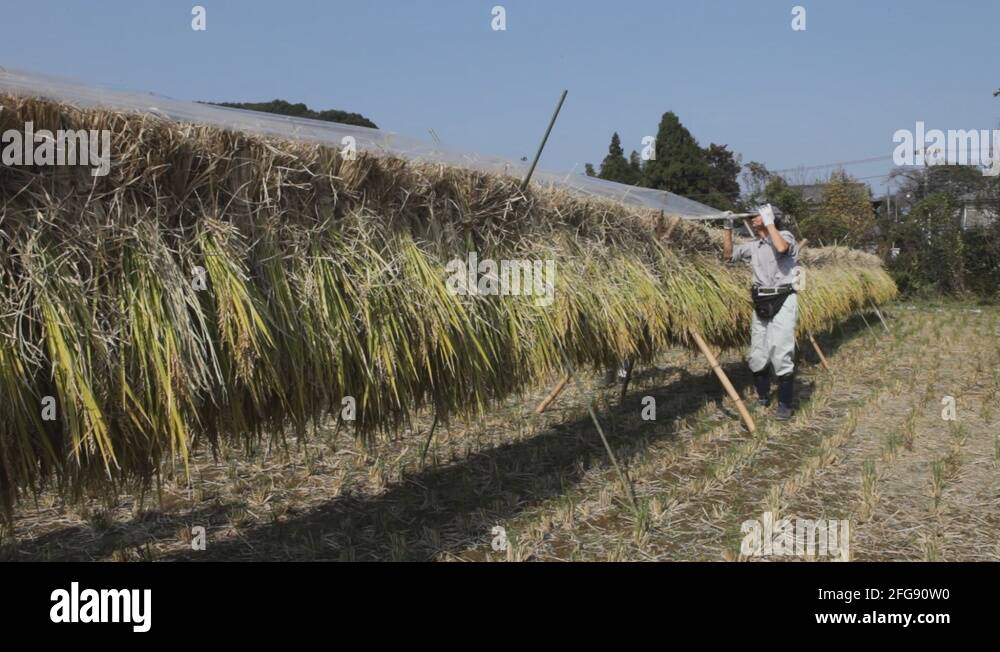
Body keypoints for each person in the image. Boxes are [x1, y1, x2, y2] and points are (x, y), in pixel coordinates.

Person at [722, 204, 800, 420]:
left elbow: (782, 248)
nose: (751, 218)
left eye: (756, 215)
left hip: (783, 297)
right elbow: (728, 257)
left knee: (781, 351)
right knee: (757, 353)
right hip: (760, 299)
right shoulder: (754, 245)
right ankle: (763, 396)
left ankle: (785, 403)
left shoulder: (785, 236)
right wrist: (727, 228)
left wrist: (769, 223)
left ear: (770, 217)